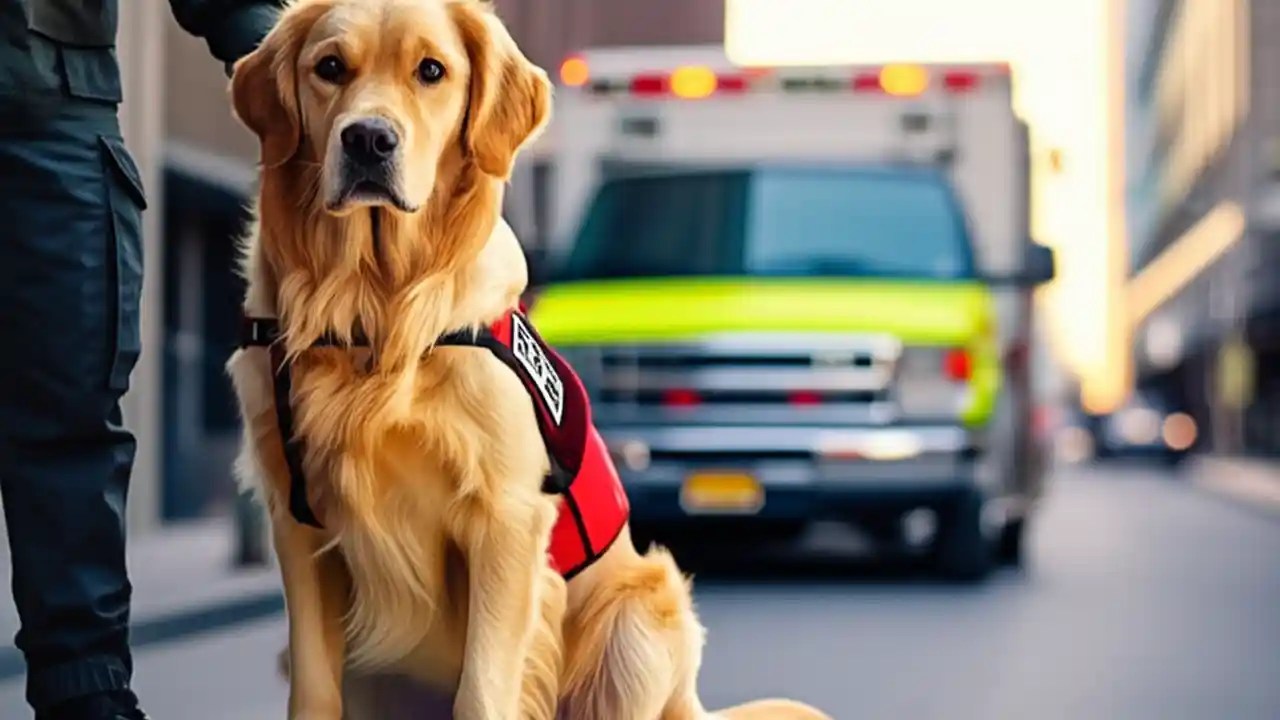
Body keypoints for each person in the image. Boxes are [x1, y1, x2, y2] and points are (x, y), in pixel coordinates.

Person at [0, 2, 285, 718]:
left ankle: (88, 702)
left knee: (72, 434)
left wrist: (298, 68)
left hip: (53, 104)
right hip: (54, 110)